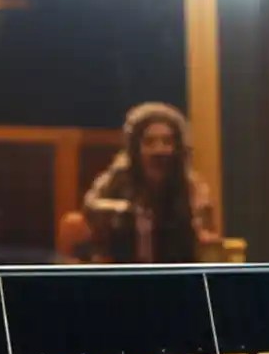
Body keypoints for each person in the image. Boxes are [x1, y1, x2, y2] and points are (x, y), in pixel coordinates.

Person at [80, 102, 217, 263]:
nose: (159, 150)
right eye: (149, 142)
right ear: (135, 148)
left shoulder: (190, 185)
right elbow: (90, 206)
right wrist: (125, 211)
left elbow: (205, 227)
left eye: (167, 142)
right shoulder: (117, 178)